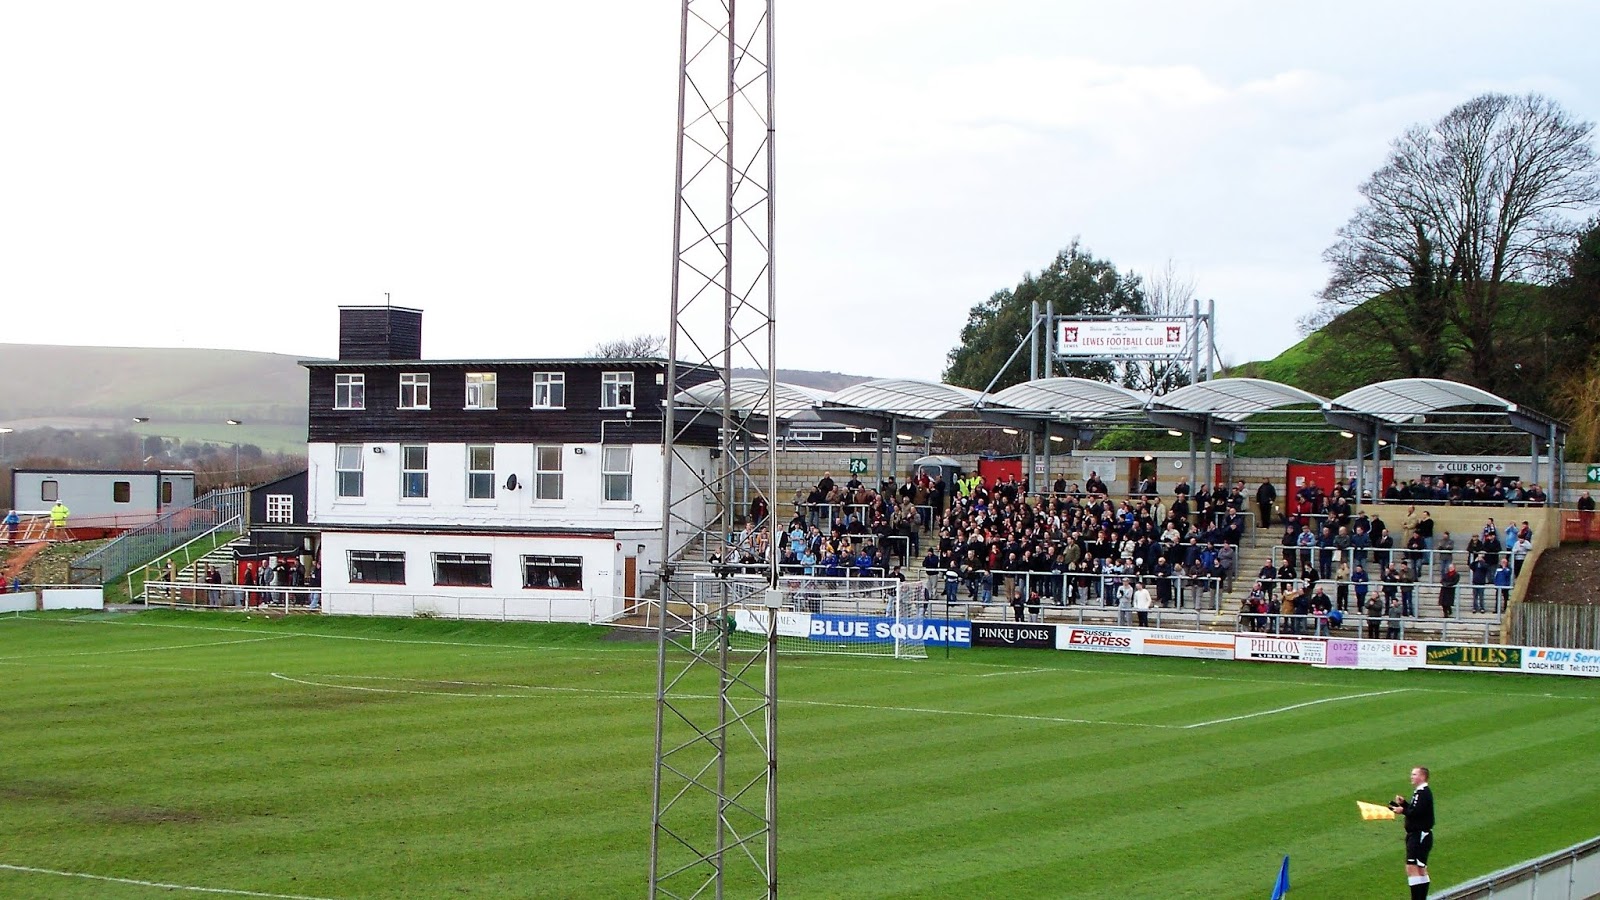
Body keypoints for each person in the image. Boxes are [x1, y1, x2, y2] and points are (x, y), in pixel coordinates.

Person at [1388, 766, 1435, 899]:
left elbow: (1416, 813)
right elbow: (1415, 811)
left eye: (1414, 774)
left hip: (1419, 835)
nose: (1411, 777)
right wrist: (1404, 804)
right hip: (1418, 835)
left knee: (1412, 867)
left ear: (1422, 777)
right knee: (1419, 868)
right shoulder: (1421, 792)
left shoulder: (1423, 793)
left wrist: (1401, 810)